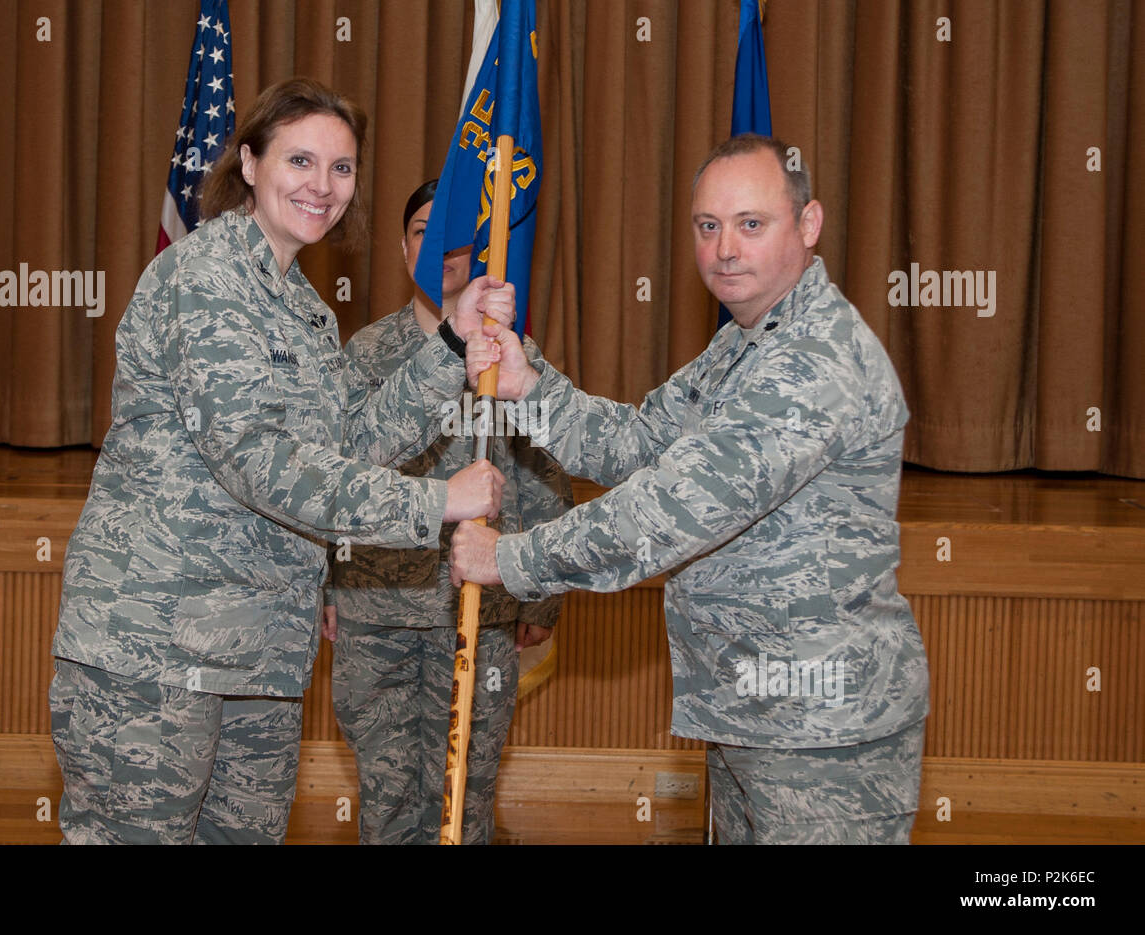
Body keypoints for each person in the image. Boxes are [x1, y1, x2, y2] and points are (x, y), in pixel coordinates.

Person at [49, 78, 515, 845]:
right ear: (252, 161)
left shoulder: (306, 311)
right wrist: (432, 504)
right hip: (156, 650)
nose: (322, 185)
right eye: (301, 159)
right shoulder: (206, 276)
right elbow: (255, 460)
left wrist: (452, 346)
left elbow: (345, 447)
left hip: (258, 659)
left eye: (342, 168)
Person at [450, 134, 931, 845]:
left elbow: (672, 508)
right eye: (709, 227)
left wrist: (511, 560)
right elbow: (643, 443)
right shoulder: (745, 339)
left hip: (822, 740)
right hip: (753, 715)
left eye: (751, 224)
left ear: (808, 225)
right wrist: (531, 389)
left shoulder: (813, 360)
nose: (725, 248)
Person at [325, 179, 573, 845]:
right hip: (375, 614)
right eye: (425, 233)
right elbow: (327, 473)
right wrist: (323, 581)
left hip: (478, 613)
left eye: (460, 240)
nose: (444, 254)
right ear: (407, 249)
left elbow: (545, 477)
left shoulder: (508, 359)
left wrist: (539, 597)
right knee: (386, 798)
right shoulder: (365, 355)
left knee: (464, 796)